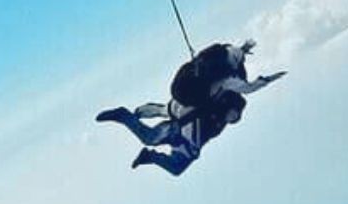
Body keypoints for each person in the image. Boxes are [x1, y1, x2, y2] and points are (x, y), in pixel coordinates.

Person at [97, 39, 285, 175]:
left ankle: (147, 145)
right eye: (234, 116)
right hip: (185, 120)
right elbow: (247, 89)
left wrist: (245, 55)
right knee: (156, 139)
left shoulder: (222, 74)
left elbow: (242, 90)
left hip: (184, 113)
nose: (232, 118)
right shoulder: (226, 80)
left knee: (170, 159)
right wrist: (267, 79)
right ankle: (125, 116)